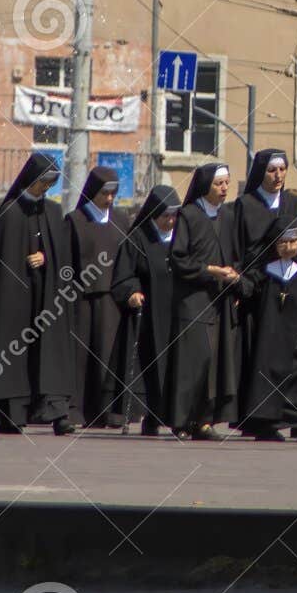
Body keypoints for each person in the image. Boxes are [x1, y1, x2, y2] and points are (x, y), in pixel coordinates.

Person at [0, 152, 76, 435]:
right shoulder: (10, 211)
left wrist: (46, 258)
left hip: (47, 294)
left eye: (51, 182)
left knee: (51, 351)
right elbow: (1, 259)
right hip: (15, 296)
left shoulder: (54, 211)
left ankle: (57, 412)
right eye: (42, 181)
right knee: (14, 350)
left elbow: (62, 255)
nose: (46, 188)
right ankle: (11, 414)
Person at [168, 163, 240, 441]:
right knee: (193, 361)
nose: (224, 189)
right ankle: (181, 420)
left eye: (226, 183)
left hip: (219, 298)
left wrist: (232, 275)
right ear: (205, 185)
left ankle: (205, 420)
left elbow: (232, 253)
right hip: (192, 299)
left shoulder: (227, 216)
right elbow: (178, 258)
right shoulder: (188, 214)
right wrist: (210, 271)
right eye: (218, 184)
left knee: (214, 362)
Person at [239, 219, 297, 442]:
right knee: (267, 374)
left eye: (293, 241)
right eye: (283, 242)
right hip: (269, 329)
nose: (288, 247)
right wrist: (236, 281)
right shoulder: (264, 265)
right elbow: (249, 286)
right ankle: (266, 424)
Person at [110, 185, 180, 436]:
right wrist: (131, 293)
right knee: (150, 366)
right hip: (149, 317)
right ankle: (151, 415)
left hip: (176, 315)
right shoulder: (137, 238)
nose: (170, 221)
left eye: (174, 216)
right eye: (165, 217)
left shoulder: (181, 238)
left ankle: (176, 417)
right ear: (154, 215)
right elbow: (123, 276)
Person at [65, 167, 128, 428]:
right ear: (93, 191)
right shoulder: (75, 220)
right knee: (81, 356)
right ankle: (76, 410)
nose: (110, 199)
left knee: (107, 355)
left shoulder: (122, 220)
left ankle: (107, 410)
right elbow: (66, 262)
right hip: (81, 298)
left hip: (113, 299)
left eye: (113, 193)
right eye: (105, 193)